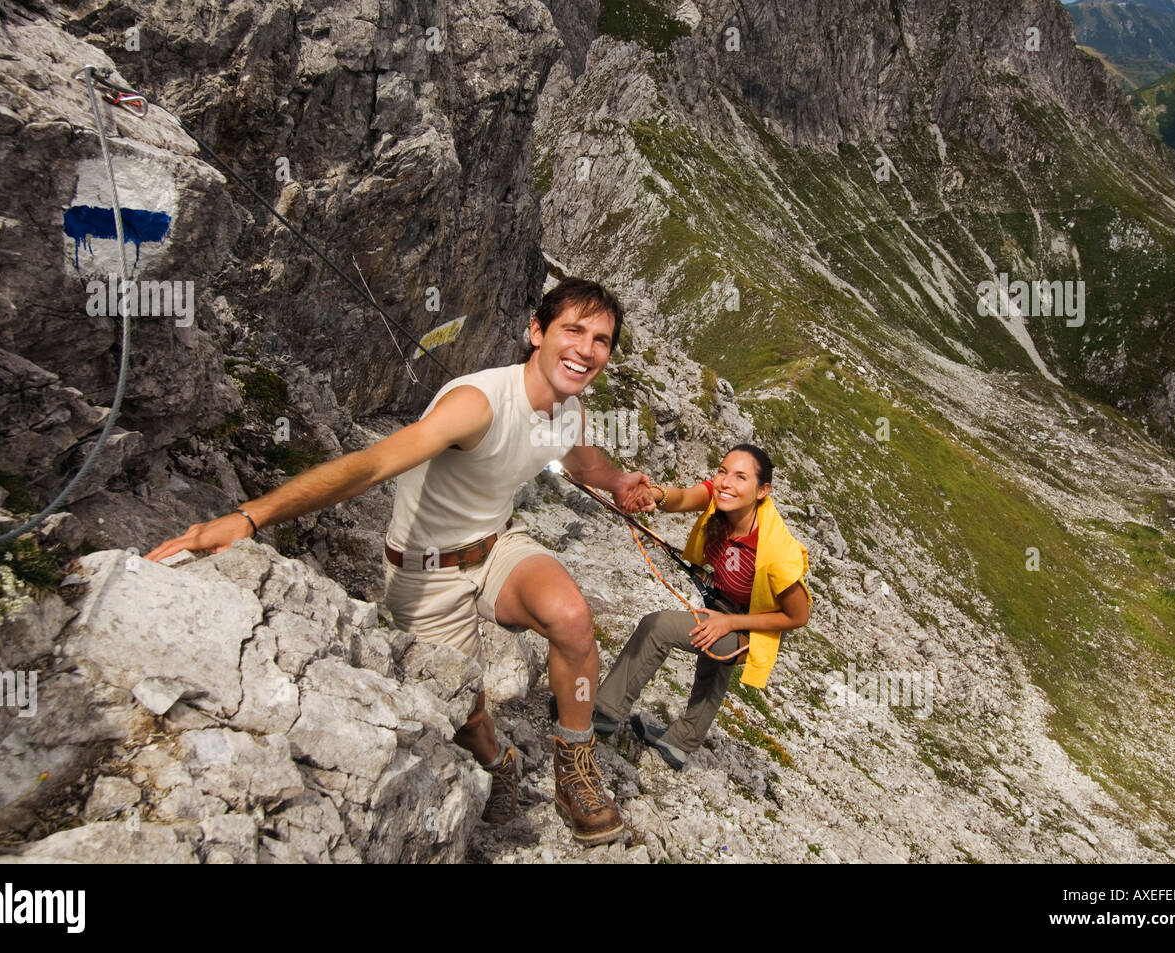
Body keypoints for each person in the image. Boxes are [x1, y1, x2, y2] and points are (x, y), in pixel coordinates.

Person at [147, 277, 650, 846]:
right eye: (573, 331)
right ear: (536, 332)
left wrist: (618, 481)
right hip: (424, 572)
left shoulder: (568, 408)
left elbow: (582, 462)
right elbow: (371, 464)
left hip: (498, 546)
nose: (586, 349)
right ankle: (498, 759)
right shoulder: (477, 404)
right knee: (468, 715)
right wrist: (250, 516)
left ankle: (574, 767)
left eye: (601, 340)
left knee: (573, 619)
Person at [592, 444, 812, 770]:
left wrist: (730, 623)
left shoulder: (775, 552)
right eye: (723, 471)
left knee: (659, 627)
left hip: (750, 630)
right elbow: (680, 498)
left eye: (740, 477)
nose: (725, 482)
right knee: (711, 671)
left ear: (762, 491)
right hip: (723, 607)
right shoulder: (718, 502)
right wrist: (653, 494)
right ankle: (680, 743)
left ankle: (604, 713)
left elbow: (798, 616)